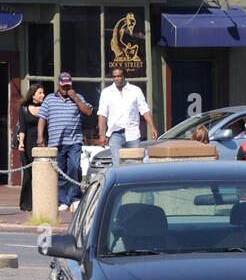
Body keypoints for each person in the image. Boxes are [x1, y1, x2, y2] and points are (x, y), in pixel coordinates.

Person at [37, 72, 92, 212]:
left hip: (74, 140)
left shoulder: (78, 97)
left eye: (68, 86)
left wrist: (76, 99)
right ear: (58, 85)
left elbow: (88, 112)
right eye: (63, 86)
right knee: (60, 171)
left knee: (74, 167)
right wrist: (40, 137)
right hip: (56, 141)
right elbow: (42, 118)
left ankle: (75, 197)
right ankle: (63, 200)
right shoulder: (49, 99)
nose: (66, 89)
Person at [96, 65, 155, 167]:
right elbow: (102, 114)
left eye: (119, 76)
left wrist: (152, 127)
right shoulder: (106, 92)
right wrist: (101, 135)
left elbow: (144, 110)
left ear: (124, 76)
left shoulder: (135, 91)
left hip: (132, 134)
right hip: (115, 134)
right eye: (114, 77)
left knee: (133, 165)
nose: (117, 79)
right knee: (117, 165)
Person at [16, 82, 45, 212]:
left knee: (42, 174)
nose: (42, 95)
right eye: (40, 93)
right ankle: (26, 204)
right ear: (33, 95)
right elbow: (22, 127)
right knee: (28, 175)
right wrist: (21, 143)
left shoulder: (45, 107)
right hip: (27, 144)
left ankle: (41, 202)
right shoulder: (23, 108)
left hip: (42, 143)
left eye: (43, 93)